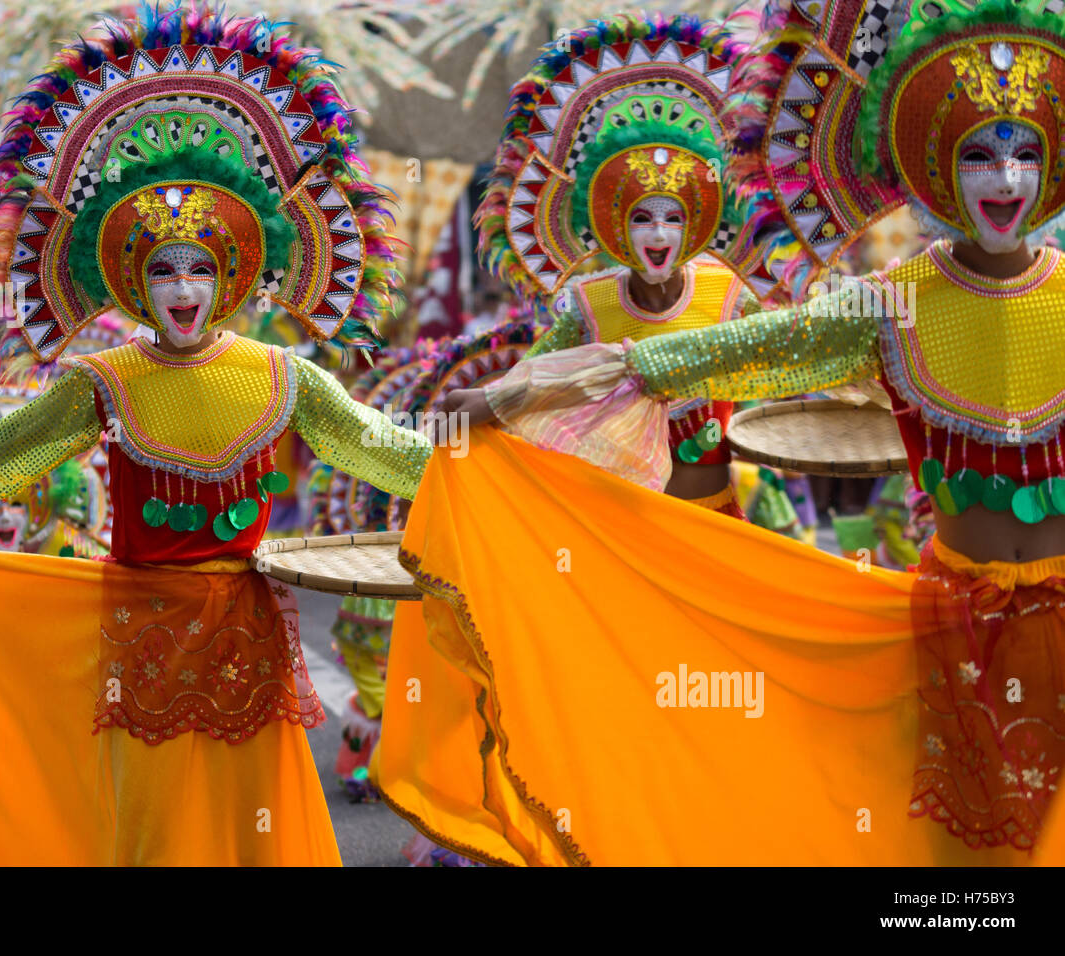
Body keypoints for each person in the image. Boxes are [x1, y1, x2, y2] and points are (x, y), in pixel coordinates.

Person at [375, 0, 1065, 865]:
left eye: (1025, 152)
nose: (1004, 181)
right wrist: (508, 402)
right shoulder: (891, 301)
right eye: (977, 154)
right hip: (946, 625)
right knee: (963, 850)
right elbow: (712, 357)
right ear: (933, 163)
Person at [0, 3, 428, 866]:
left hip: (248, 641)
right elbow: (7, 450)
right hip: (140, 641)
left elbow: (381, 449)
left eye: (203, 266)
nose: (185, 286)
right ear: (130, 277)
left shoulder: (286, 377)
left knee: (249, 828)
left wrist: (487, 464)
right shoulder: (105, 380)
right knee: (149, 831)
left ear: (235, 271)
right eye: (163, 267)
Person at [475, 12, 780, 515]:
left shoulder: (727, 294)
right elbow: (527, 388)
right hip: (621, 532)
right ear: (614, 225)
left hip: (717, 527)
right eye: (641, 218)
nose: (659, 235)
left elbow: (790, 359)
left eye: (673, 219)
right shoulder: (590, 307)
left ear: (697, 222)